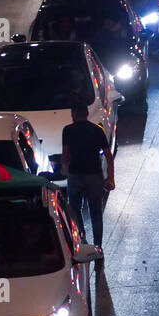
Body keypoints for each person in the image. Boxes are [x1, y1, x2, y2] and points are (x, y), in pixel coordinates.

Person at [60, 101, 115, 258]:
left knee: (74, 209)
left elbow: (65, 154)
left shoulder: (68, 130)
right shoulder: (97, 130)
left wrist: (64, 168)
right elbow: (108, 156)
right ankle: (98, 247)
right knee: (96, 212)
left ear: (75, 115)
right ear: (86, 113)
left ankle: (82, 240)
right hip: (94, 176)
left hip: (75, 175)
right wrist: (110, 178)